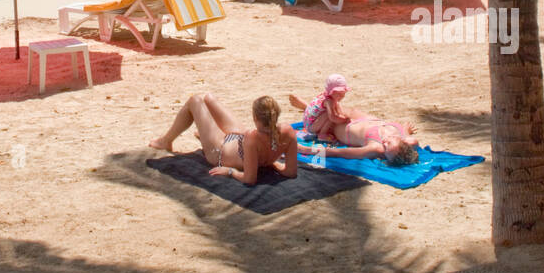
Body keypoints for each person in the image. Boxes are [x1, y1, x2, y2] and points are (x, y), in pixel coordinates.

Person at [149, 93, 298, 185]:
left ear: (255, 118)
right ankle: (204, 134)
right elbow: (291, 172)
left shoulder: (253, 138)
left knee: (194, 101)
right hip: (239, 139)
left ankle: (166, 141)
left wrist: (230, 172)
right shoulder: (289, 131)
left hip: (220, 151)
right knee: (209, 98)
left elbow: (249, 179)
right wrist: (274, 164)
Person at [295, 103, 420, 167]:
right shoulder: (409, 141)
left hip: (342, 128)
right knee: (338, 108)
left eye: (385, 149)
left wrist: (306, 149)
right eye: (390, 143)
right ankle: (309, 108)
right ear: (402, 142)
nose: (384, 143)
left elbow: (340, 153)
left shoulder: (376, 148)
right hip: (365, 120)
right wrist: (405, 130)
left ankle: (307, 108)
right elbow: (410, 139)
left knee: (330, 115)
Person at [289, 73, 350, 141]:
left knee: (331, 112)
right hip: (311, 126)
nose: (342, 96)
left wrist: (341, 115)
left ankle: (321, 130)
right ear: (331, 92)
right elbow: (333, 117)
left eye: (343, 93)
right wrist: (345, 120)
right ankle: (322, 135)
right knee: (330, 114)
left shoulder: (325, 95)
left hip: (308, 122)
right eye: (339, 93)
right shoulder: (329, 101)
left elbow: (338, 109)